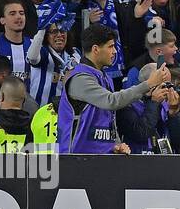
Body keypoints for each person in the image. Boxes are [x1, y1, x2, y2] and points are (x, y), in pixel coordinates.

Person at [57, 24, 173, 153]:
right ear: (95, 49)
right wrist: (148, 84)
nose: (115, 51)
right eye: (111, 46)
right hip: (77, 157)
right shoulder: (80, 78)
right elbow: (111, 101)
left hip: (101, 156)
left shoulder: (105, 77)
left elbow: (109, 119)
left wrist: (115, 144)